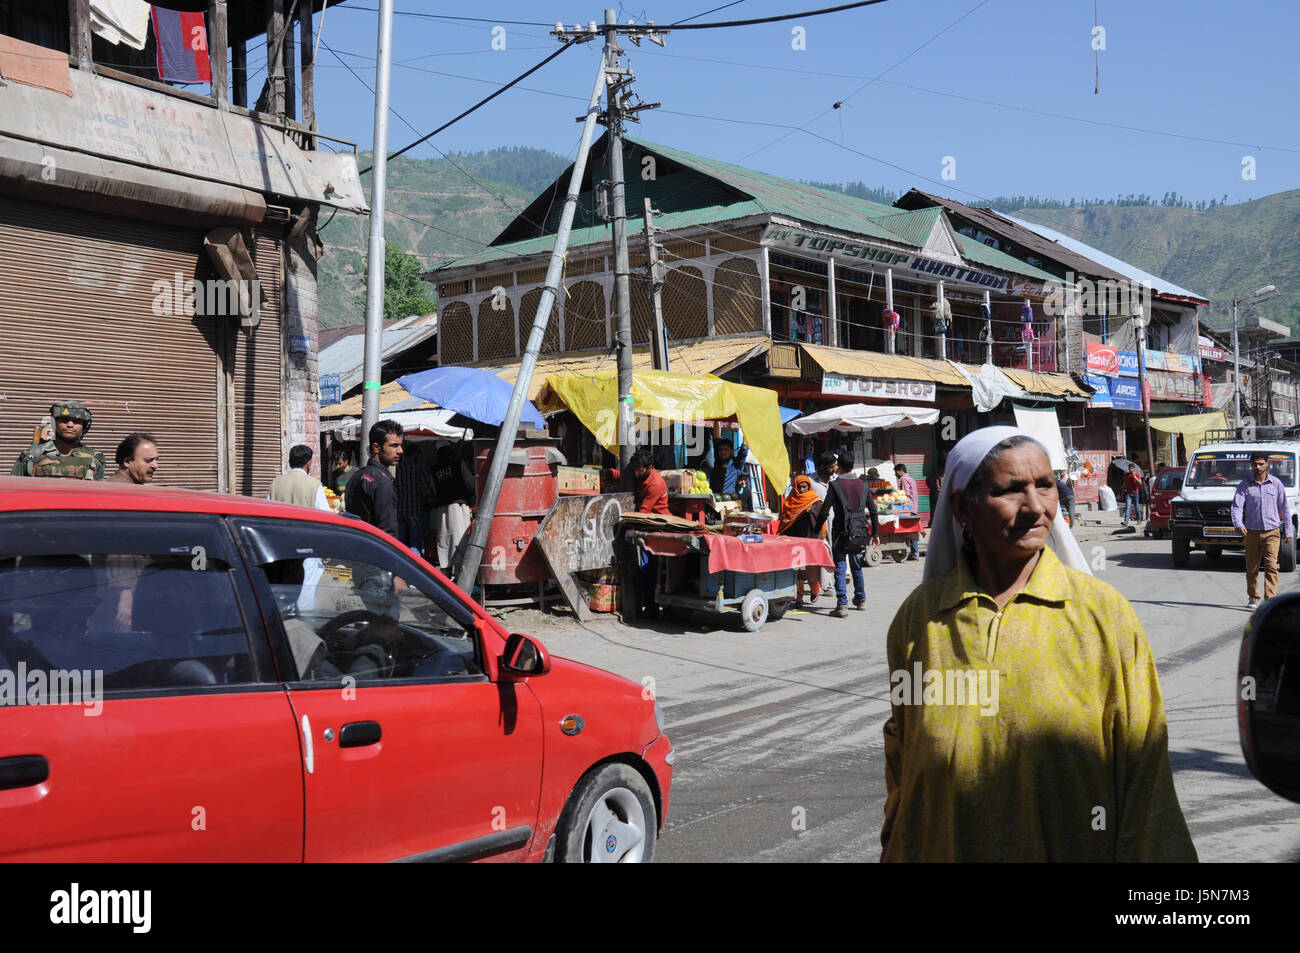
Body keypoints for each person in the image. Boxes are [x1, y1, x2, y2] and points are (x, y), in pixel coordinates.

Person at [881, 426, 1196, 862]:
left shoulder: (1102, 615)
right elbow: (902, 753)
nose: (1034, 507)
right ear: (961, 508)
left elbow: (1146, 767)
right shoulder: (920, 619)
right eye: (1010, 490)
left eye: (1044, 486)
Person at [812, 452, 880, 618]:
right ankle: (861, 599)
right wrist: (875, 533)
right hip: (859, 531)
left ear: (839, 467)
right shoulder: (864, 485)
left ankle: (842, 605)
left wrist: (815, 531)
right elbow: (873, 510)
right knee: (856, 565)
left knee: (840, 567)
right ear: (853, 466)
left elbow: (825, 511)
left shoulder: (835, 485)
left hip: (840, 533)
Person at [1231, 451, 1292, 608]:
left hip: (1272, 532)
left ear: (1267, 464)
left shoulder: (1275, 484)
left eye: (1261, 464)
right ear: (1251, 465)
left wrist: (1288, 530)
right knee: (1252, 566)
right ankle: (1253, 596)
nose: (1257, 467)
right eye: (1254, 464)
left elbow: (1285, 508)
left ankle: (1270, 599)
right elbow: (1237, 506)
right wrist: (1239, 524)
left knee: (1271, 565)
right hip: (1251, 532)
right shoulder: (1245, 485)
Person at [11, 400, 105, 480]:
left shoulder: (94, 459)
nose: (70, 425)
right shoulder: (31, 455)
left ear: (84, 427)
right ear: (54, 423)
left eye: (76, 421)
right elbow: (14, 489)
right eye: (64, 420)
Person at [346, 420, 404, 538]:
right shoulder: (382, 481)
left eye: (400, 445)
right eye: (394, 445)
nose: (400, 451)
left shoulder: (357, 476)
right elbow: (387, 531)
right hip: (375, 550)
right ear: (376, 447)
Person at [778, 474, 826, 609]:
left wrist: (809, 513)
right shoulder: (790, 501)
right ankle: (799, 597)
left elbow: (820, 521)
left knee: (811, 569)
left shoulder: (815, 501)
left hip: (810, 540)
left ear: (809, 487)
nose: (802, 489)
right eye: (799, 487)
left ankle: (815, 591)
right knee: (797, 571)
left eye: (804, 487)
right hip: (795, 542)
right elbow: (785, 519)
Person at [430, 443, 476, 574]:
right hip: (458, 506)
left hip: (441, 509)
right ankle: (461, 573)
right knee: (460, 537)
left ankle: (446, 570)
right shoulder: (458, 463)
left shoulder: (433, 469)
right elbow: (470, 483)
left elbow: (433, 489)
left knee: (445, 538)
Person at [394, 443, 436, 555]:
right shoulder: (419, 469)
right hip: (415, 510)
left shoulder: (398, 469)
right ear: (416, 455)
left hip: (400, 511)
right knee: (415, 543)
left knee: (401, 543)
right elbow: (425, 489)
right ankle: (415, 565)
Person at [605, 449, 670, 515]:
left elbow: (644, 511)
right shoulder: (640, 474)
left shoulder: (656, 484)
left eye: (640, 470)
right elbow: (623, 476)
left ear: (649, 467)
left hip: (659, 518)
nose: (636, 473)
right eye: (635, 469)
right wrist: (607, 473)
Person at [268, 444, 329, 511]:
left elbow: (267, 512)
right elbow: (325, 513)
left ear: (289, 463)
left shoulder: (275, 484)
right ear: (309, 464)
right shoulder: (315, 485)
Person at [894, 463, 921, 560]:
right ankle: (914, 552)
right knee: (912, 530)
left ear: (900, 471)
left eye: (896, 472)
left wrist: (895, 502)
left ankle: (914, 553)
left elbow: (904, 495)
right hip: (913, 507)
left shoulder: (903, 479)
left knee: (909, 530)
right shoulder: (911, 479)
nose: (896, 474)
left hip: (908, 508)